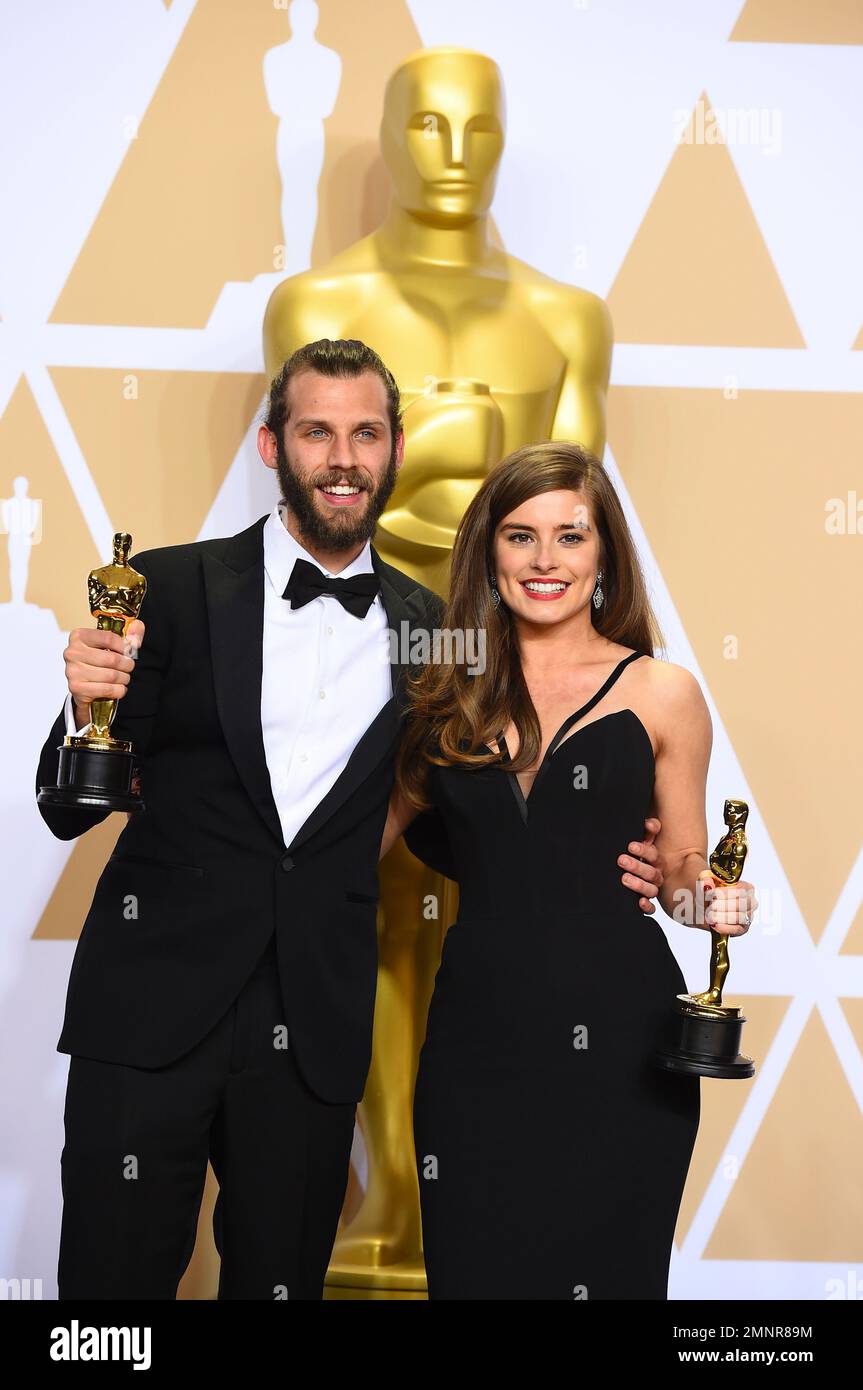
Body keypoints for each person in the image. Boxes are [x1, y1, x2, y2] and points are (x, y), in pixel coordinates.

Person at [36, 340, 665, 1301]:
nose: (342, 457)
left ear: (396, 451)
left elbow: (473, 824)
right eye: (316, 431)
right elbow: (67, 808)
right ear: (269, 445)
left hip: (313, 1029)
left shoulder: (437, 637)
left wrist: (615, 842)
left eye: (365, 433)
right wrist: (87, 708)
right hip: (149, 1008)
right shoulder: (171, 587)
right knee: (108, 1302)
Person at [380, 440, 758, 1300]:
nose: (544, 561)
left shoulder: (663, 691)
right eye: (520, 537)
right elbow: (345, 847)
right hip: (476, 1041)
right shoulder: (441, 689)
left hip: (621, 1042)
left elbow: (678, 866)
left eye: (569, 536)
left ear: (603, 555)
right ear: (488, 552)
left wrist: (710, 898)